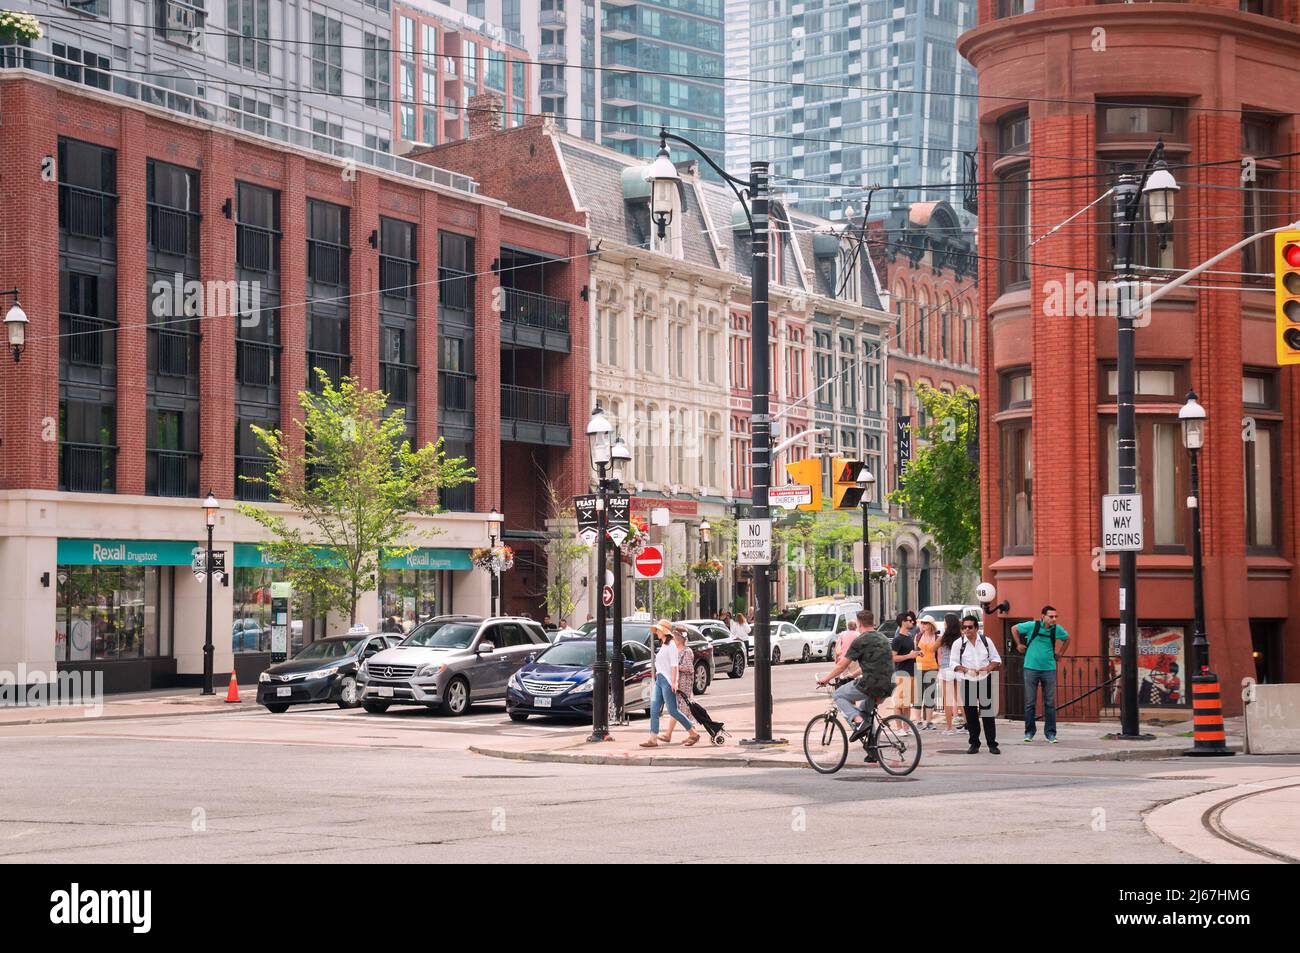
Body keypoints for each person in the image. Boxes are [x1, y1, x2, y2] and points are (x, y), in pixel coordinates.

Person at [816, 610, 894, 758]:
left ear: (859, 624)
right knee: (866, 711)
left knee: (839, 695)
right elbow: (873, 664)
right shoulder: (883, 637)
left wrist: (825, 679)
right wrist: (852, 675)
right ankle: (873, 751)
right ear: (872, 622)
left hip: (870, 683)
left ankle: (858, 723)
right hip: (888, 684)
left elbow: (842, 665)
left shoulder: (861, 640)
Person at [1012, 605, 1070, 743]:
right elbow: (1014, 628)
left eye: (1056, 616)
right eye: (1051, 617)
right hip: (1030, 668)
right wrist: (1018, 644)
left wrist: (1061, 653)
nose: (1054, 619)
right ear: (1043, 616)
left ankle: (1050, 734)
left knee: (1049, 703)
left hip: (1049, 669)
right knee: (1030, 703)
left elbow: (1067, 639)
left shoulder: (1057, 629)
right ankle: (1029, 733)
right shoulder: (1033, 625)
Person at [950, 615, 1002, 754]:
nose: (967, 629)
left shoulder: (986, 641)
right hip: (967, 680)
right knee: (971, 714)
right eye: (964, 627)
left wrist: (988, 668)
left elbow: (996, 659)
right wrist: (966, 670)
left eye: (970, 627)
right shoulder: (958, 644)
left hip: (984, 679)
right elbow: (953, 664)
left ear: (976, 628)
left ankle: (992, 744)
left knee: (988, 713)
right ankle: (974, 743)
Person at [642, 619, 696, 747]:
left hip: (667, 680)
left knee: (673, 710)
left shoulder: (671, 645)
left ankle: (693, 732)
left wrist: (675, 681)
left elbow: (674, 665)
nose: (657, 632)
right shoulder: (664, 645)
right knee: (654, 709)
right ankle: (653, 739)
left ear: (664, 631)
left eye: (659, 630)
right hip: (659, 679)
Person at [661, 625, 701, 746]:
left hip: (685, 684)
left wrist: (675, 667)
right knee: (677, 709)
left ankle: (690, 734)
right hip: (677, 683)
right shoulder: (676, 651)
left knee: (681, 709)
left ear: (680, 639)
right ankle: (676, 733)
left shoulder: (687, 652)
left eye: (675, 637)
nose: (673, 640)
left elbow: (689, 668)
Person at [914, 615, 941, 729]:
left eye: (926, 623)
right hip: (919, 666)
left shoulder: (937, 638)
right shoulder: (918, 636)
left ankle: (929, 722)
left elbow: (939, 654)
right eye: (922, 623)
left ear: (931, 625)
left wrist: (939, 669)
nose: (923, 625)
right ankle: (918, 721)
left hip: (932, 667)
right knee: (918, 695)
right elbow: (915, 651)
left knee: (930, 695)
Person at [890, 611, 919, 717]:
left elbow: (909, 653)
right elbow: (893, 658)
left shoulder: (909, 637)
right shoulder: (897, 639)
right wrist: (909, 656)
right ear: (903, 622)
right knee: (899, 703)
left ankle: (906, 727)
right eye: (910, 620)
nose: (912, 622)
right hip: (902, 673)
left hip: (911, 672)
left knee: (907, 704)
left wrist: (917, 653)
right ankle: (899, 728)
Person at [938, 613, 963, 734]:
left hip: (946, 668)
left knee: (947, 699)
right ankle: (967, 726)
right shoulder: (961, 637)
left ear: (947, 624)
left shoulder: (943, 638)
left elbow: (932, 648)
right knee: (960, 698)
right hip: (958, 667)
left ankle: (949, 728)